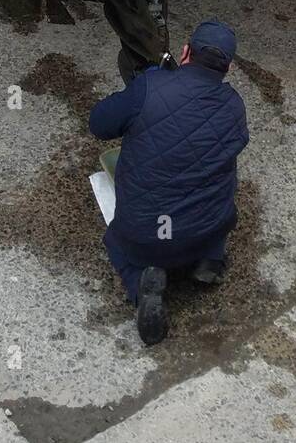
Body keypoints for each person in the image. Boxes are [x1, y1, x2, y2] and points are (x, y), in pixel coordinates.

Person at [89, 20, 248, 346]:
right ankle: (209, 260)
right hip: (207, 228)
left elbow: (99, 123)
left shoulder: (150, 86)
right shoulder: (234, 105)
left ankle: (142, 283)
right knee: (220, 179)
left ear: (185, 51)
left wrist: (147, 90)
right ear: (228, 68)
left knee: (116, 240)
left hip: (148, 238)